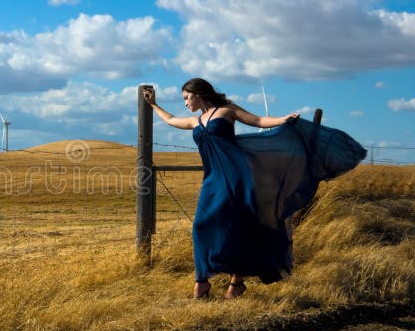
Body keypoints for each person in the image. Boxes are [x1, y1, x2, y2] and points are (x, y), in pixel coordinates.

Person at [143, 78, 366, 299]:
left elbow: (258, 120)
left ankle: (233, 283)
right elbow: (171, 120)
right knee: (201, 226)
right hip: (213, 180)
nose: (185, 103)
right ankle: (202, 278)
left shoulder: (227, 111)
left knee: (239, 227)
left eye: (186, 97)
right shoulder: (195, 121)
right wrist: (153, 105)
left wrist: (283, 119)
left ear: (198, 94)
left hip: (238, 176)